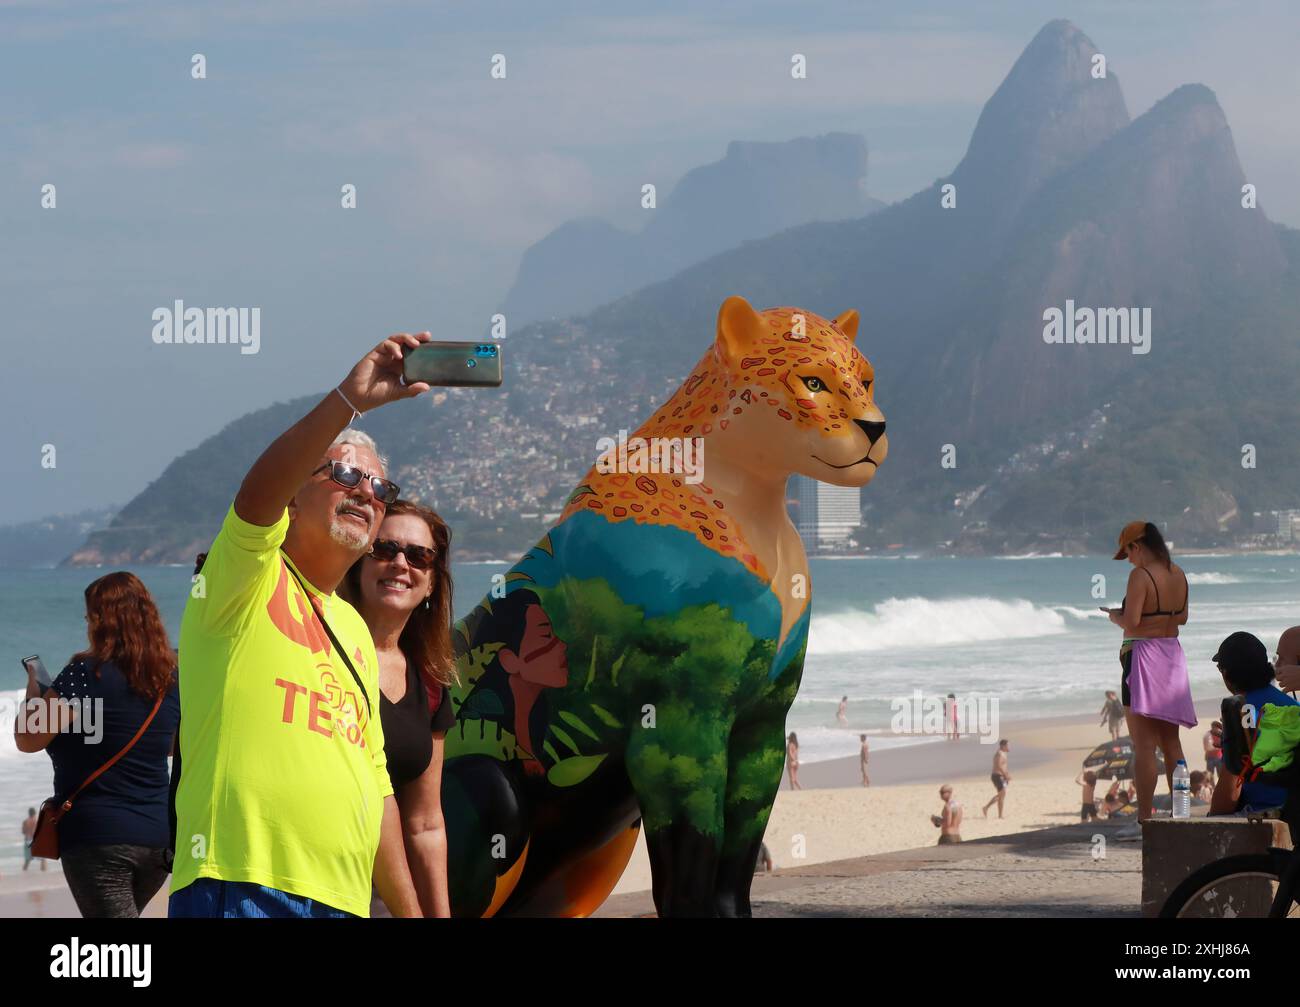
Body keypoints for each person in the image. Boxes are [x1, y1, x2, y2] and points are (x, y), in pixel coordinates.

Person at [168, 332, 433, 919]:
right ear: (294, 496)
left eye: (379, 487)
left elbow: (376, 788)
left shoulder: (355, 630)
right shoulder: (245, 578)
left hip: (343, 901)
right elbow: (255, 496)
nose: (364, 492)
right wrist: (349, 398)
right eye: (342, 475)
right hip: (241, 886)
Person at [14, 573, 180, 917]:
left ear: (101, 620)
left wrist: (34, 692)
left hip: (98, 836)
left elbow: (28, 739)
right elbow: (170, 746)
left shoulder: (84, 674)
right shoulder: (170, 675)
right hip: (158, 836)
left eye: (90, 616)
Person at [341, 498, 457, 918]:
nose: (400, 563)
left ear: (431, 583)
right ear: (359, 564)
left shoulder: (429, 680)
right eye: (384, 549)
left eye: (419, 556)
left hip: (387, 902)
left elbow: (425, 823)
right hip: (314, 889)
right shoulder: (318, 653)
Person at [1106, 521, 1194, 821]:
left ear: (1137, 546)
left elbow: (1132, 622)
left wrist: (1115, 617)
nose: (1128, 559)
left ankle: (1144, 820)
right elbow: (1182, 617)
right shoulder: (1178, 573)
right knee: (1172, 743)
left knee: (1143, 746)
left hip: (1142, 658)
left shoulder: (1139, 576)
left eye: (1128, 552)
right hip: (1172, 656)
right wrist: (1156, 622)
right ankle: (1180, 815)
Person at [1208, 632, 1300, 816]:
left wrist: (1232, 742)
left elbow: (1227, 799)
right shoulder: (1291, 707)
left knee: (1213, 819)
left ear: (1226, 674)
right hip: (1293, 809)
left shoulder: (1239, 713)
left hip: (1265, 813)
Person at [982, 739, 1011, 817]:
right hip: (998, 776)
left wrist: (1007, 775)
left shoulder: (1003, 753)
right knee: (1001, 795)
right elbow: (999, 765)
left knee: (1001, 795)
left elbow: (1003, 766)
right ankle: (986, 808)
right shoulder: (1000, 754)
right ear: (1003, 746)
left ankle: (999, 814)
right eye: (1008, 745)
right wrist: (1005, 775)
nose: (1009, 747)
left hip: (1001, 776)